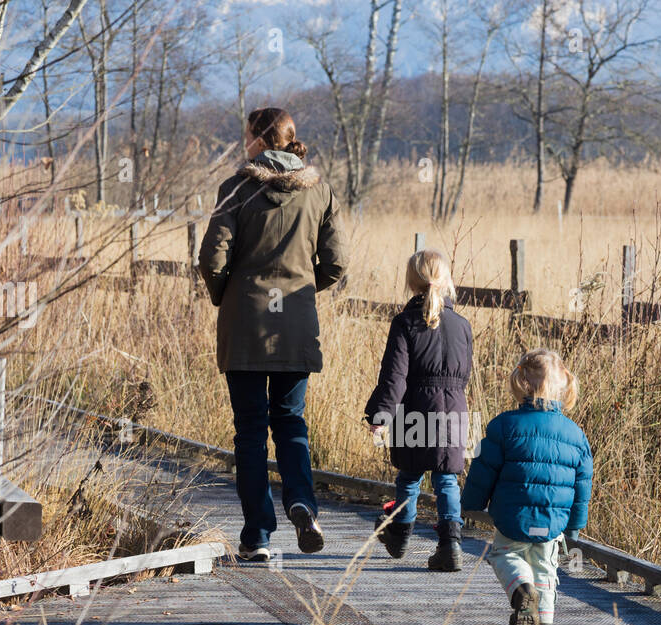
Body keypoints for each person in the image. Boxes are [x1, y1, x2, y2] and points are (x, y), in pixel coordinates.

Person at [199, 107, 347, 562]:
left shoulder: (236, 190)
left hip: (245, 328)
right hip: (295, 330)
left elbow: (212, 259)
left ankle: (257, 537)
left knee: (249, 433)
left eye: (247, 135)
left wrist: (230, 296)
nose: (243, 143)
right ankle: (302, 503)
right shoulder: (320, 192)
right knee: (290, 424)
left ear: (260, 141)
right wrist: (302, 293)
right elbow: (337, 264)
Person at [460, 349, 592, 625]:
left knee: (505, 555)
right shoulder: (576, 434)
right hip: (551, 519)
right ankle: (543, 619)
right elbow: (582, 486)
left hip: (512, 515)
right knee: (545, 565)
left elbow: (484, 470)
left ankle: (521, 587)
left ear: (521, 383)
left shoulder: (503, 426)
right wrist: (574, 528)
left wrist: (471, 503)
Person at [364, 250, 474, 571]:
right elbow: (464, 374)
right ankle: (451, 544)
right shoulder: (462, 326)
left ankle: (399, 535)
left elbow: (394, 376)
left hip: (414, 412)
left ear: (412, 283)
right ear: (446, 279)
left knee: (409, 479)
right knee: (447, 481)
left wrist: (381, 416)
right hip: (454, 412)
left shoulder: (404, 324)